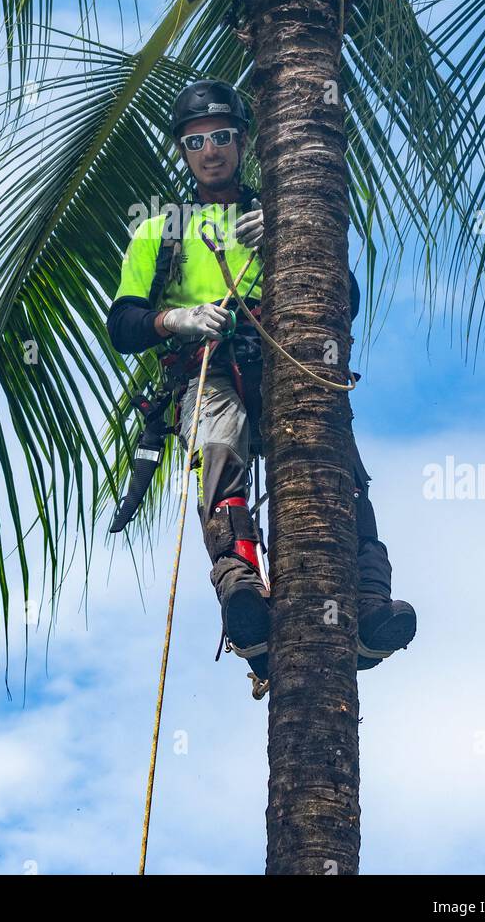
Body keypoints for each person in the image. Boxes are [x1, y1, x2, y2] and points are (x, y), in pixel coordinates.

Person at [106, 79, 416, 686]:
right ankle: (242, 591)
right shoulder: (159, 232)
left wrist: (288, 238)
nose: (211, 150)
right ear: (184, 150)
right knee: (220, 459)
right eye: (197, 141)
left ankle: (369, 604)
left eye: (222, 136)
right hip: (208, 364)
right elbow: (123, 323)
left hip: (287, 360)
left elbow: (342, 298)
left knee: (333, 472)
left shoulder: (283, 209)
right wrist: (179, 318)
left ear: (243, 141)